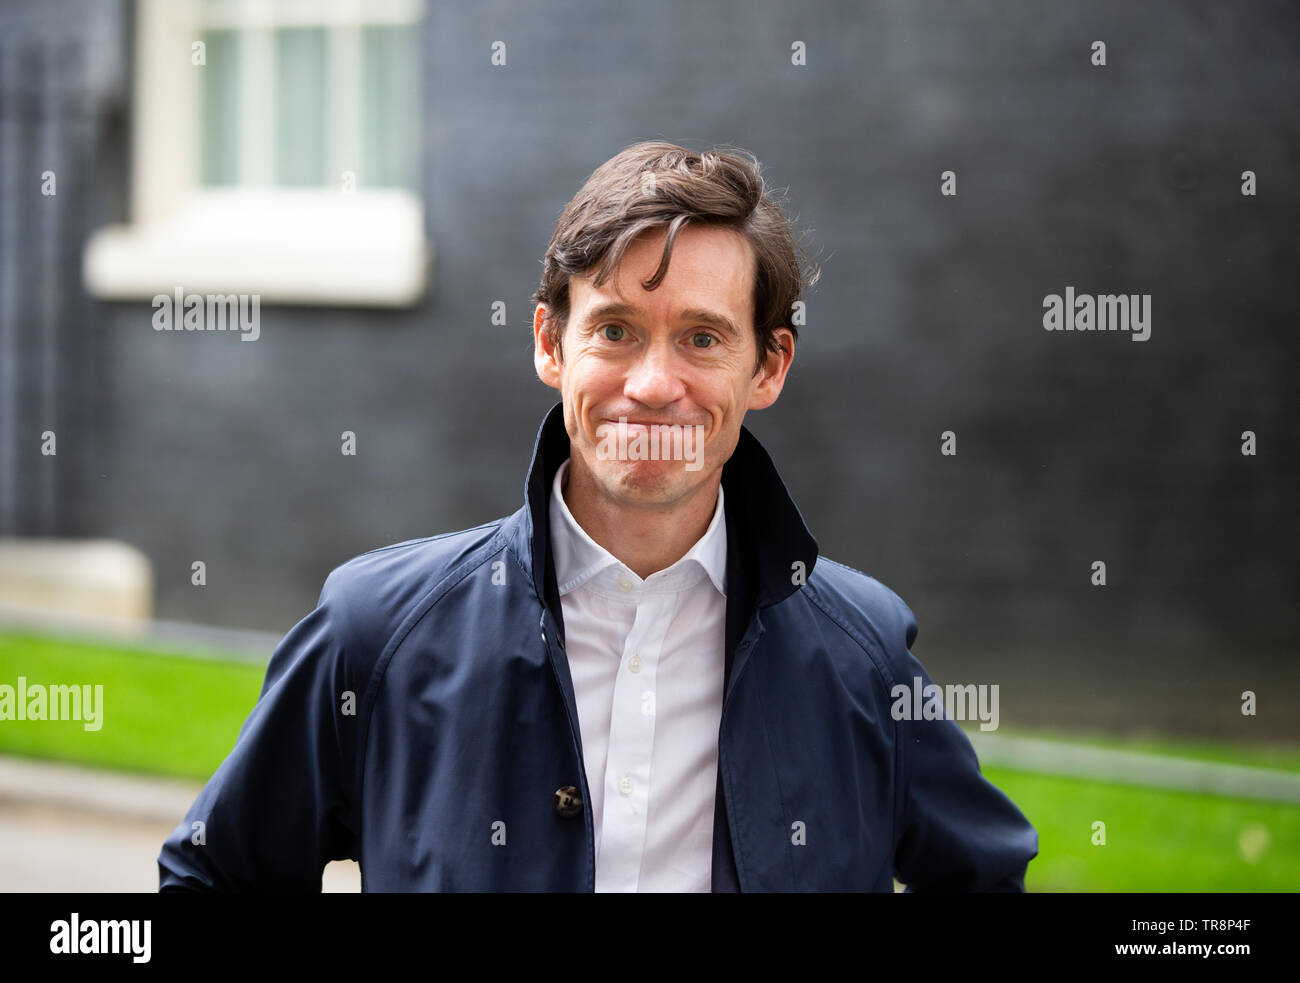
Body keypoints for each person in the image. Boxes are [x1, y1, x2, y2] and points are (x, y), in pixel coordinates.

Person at [157, 141, 1037, 892]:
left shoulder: (864, 655)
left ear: (768, 368)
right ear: (550, 343)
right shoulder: (374, 633)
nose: (653, 385)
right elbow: (212, 874)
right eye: (615, 330)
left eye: (702, 337)